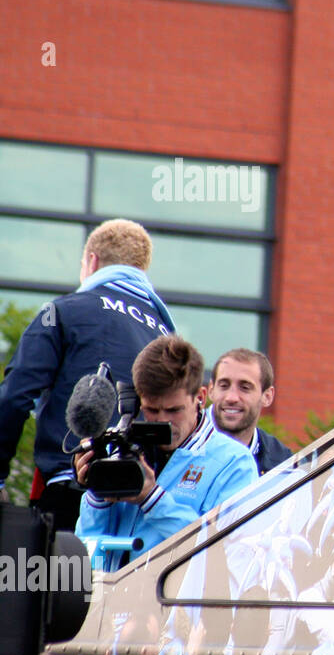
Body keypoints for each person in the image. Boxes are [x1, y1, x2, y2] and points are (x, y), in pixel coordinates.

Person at [0, 219, 175, 528]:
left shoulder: (65, 311)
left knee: (58, 579)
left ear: (91, 261)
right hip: (146, 505)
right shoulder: (168, 338)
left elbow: (14, 396)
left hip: (72, 494)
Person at [74, 335, 259, 571]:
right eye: (152, 410)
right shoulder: (118, 446)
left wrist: (151, 499)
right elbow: (88, 546)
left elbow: (225, 550)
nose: (162, 421)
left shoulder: (234, 462)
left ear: (200, 397)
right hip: (107, 596)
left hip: (172, 603)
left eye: (174, 410)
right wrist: (96, 495)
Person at [209, 348, 293, 475]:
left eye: (245, 388)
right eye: (224, 386)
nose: (231, 398)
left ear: (267, 396)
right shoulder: (180, 440)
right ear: (211, 390)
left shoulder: (281, 463)